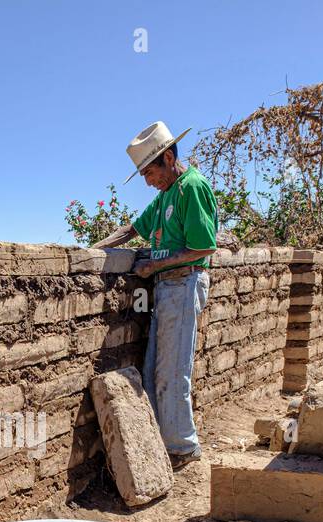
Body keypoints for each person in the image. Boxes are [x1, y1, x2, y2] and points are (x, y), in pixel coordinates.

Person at [95, 121, 218, 469]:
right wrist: (88, 252)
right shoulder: (166, 195)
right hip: (166, 288)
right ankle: (164, 443)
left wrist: (152, 268)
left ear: (167, 157)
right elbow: (131, 229)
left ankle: (182, 447)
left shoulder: (191, 187)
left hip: (184, 283)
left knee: (172, 371)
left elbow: (203, 247)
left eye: (150, 173)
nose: (148, 182)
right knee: (152, 371)